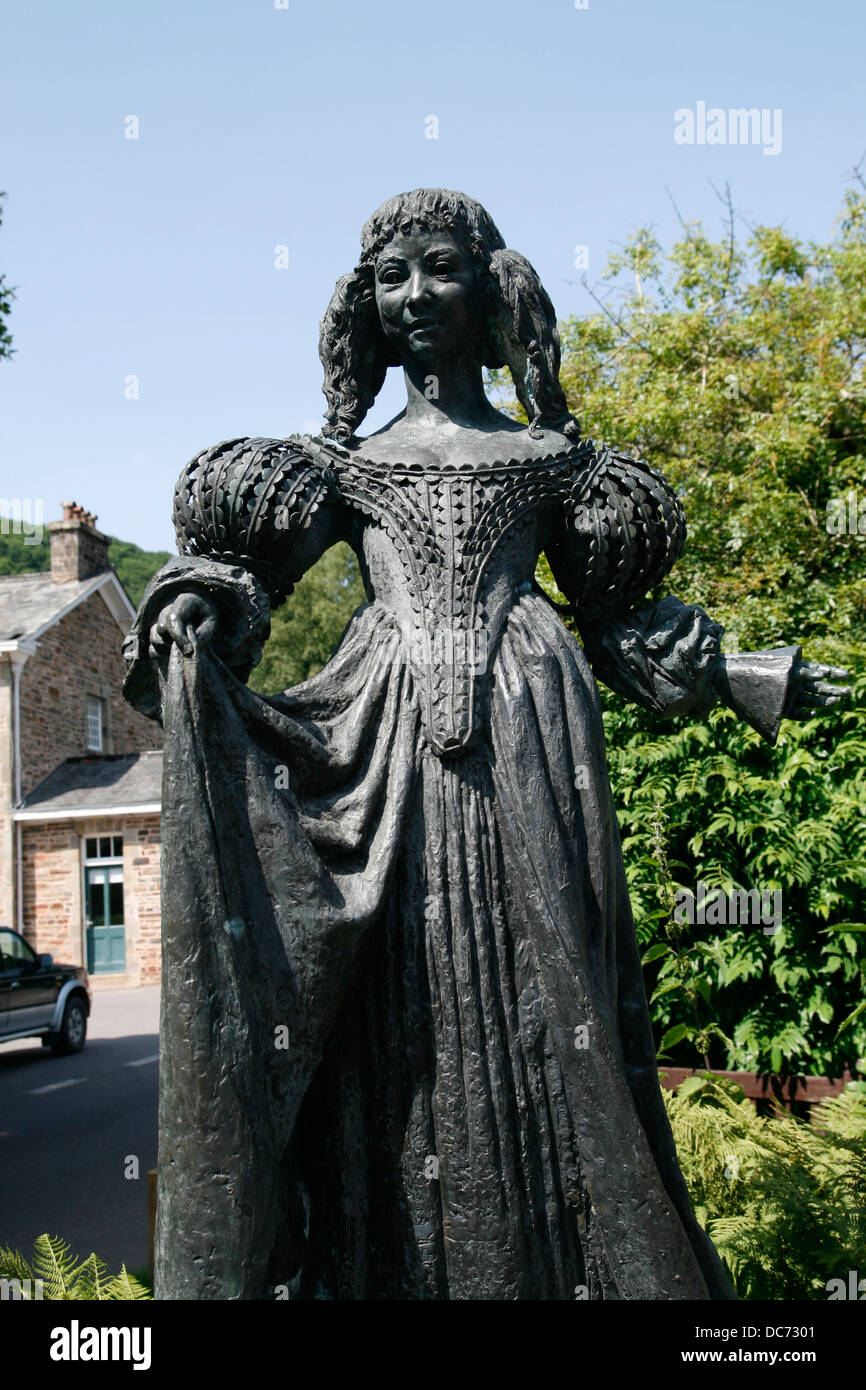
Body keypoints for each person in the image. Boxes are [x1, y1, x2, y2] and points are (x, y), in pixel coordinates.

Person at [123, 188, 849, 1300]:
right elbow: (245, 581)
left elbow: (623, 630)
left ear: (492, 285)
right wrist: (194, 611)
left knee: (550, 996)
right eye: (391, 276)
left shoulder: (556, 460)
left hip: (532, 737)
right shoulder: (341, 468)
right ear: (363, 305)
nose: (416, 295)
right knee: (395, 1011)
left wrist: (748, 675)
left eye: (441, 268)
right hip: (382, 746)